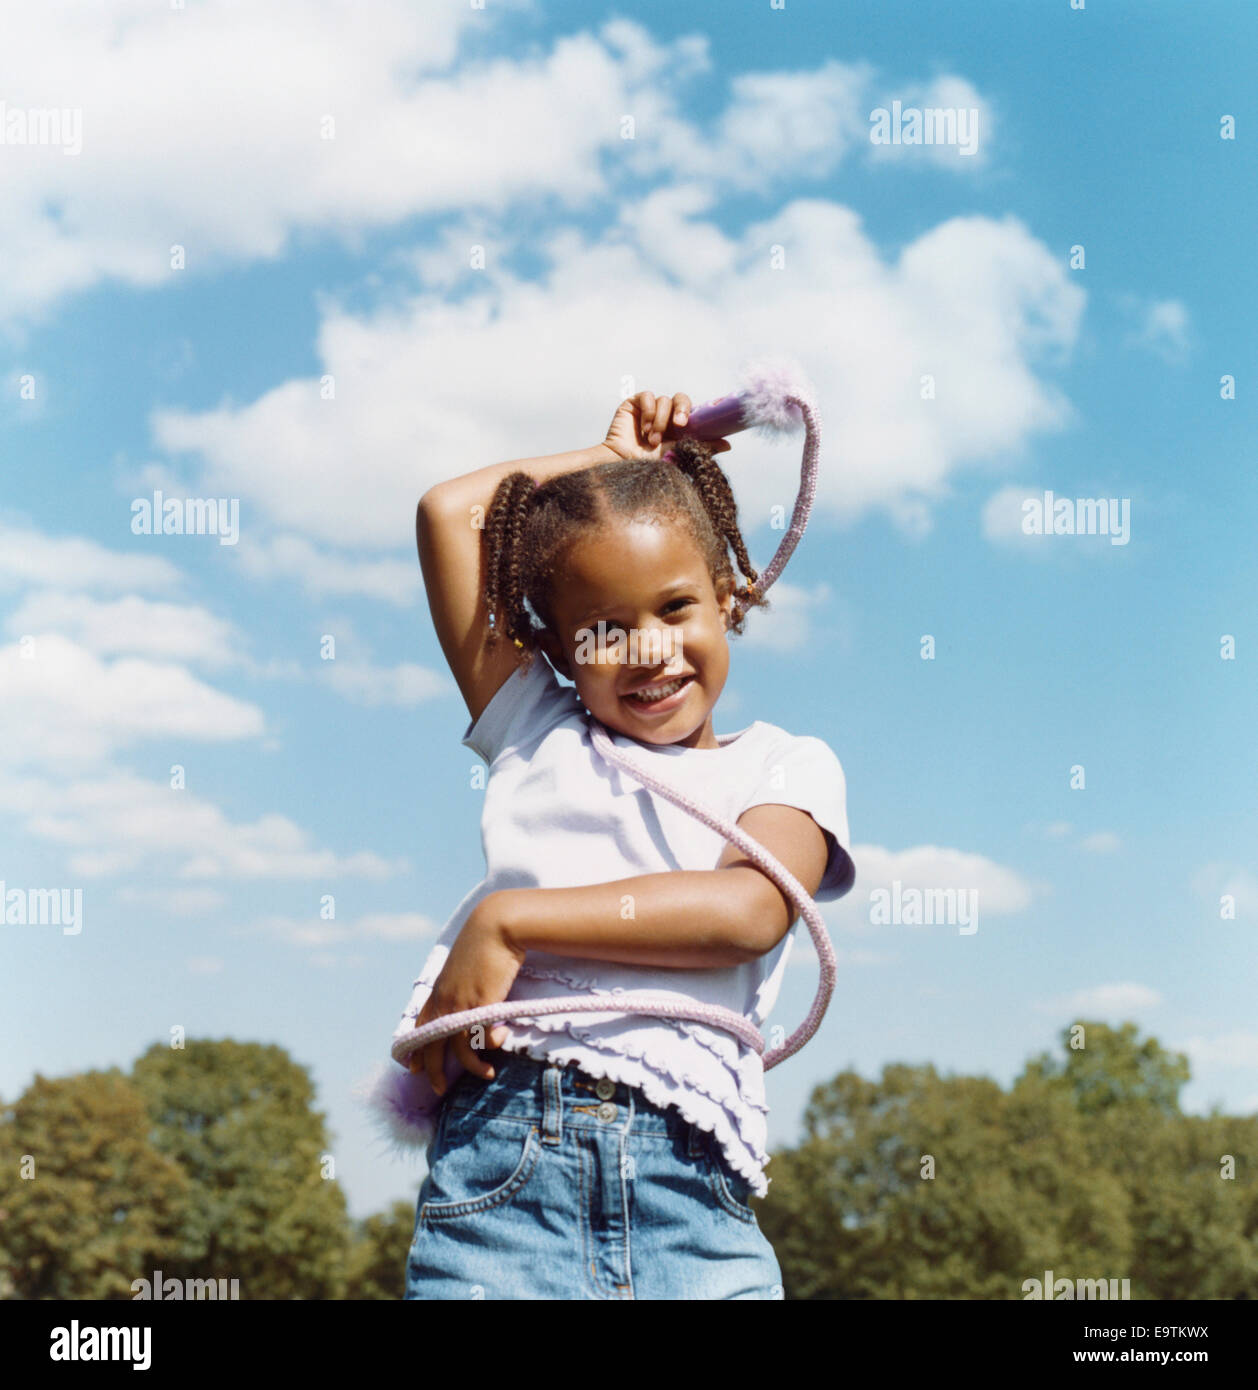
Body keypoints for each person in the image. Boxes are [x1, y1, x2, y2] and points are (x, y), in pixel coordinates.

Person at [398, 389, 856, 1299]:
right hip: (503, 1188)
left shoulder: (788, 766)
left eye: (677, 605)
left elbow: (749, 912)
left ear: (730, 597)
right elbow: (449, 513)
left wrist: (511, 924)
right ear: (561, 651)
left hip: (692, 1194)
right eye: (603, 628)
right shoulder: (534, 726)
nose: (647, 650)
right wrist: (608, 462)